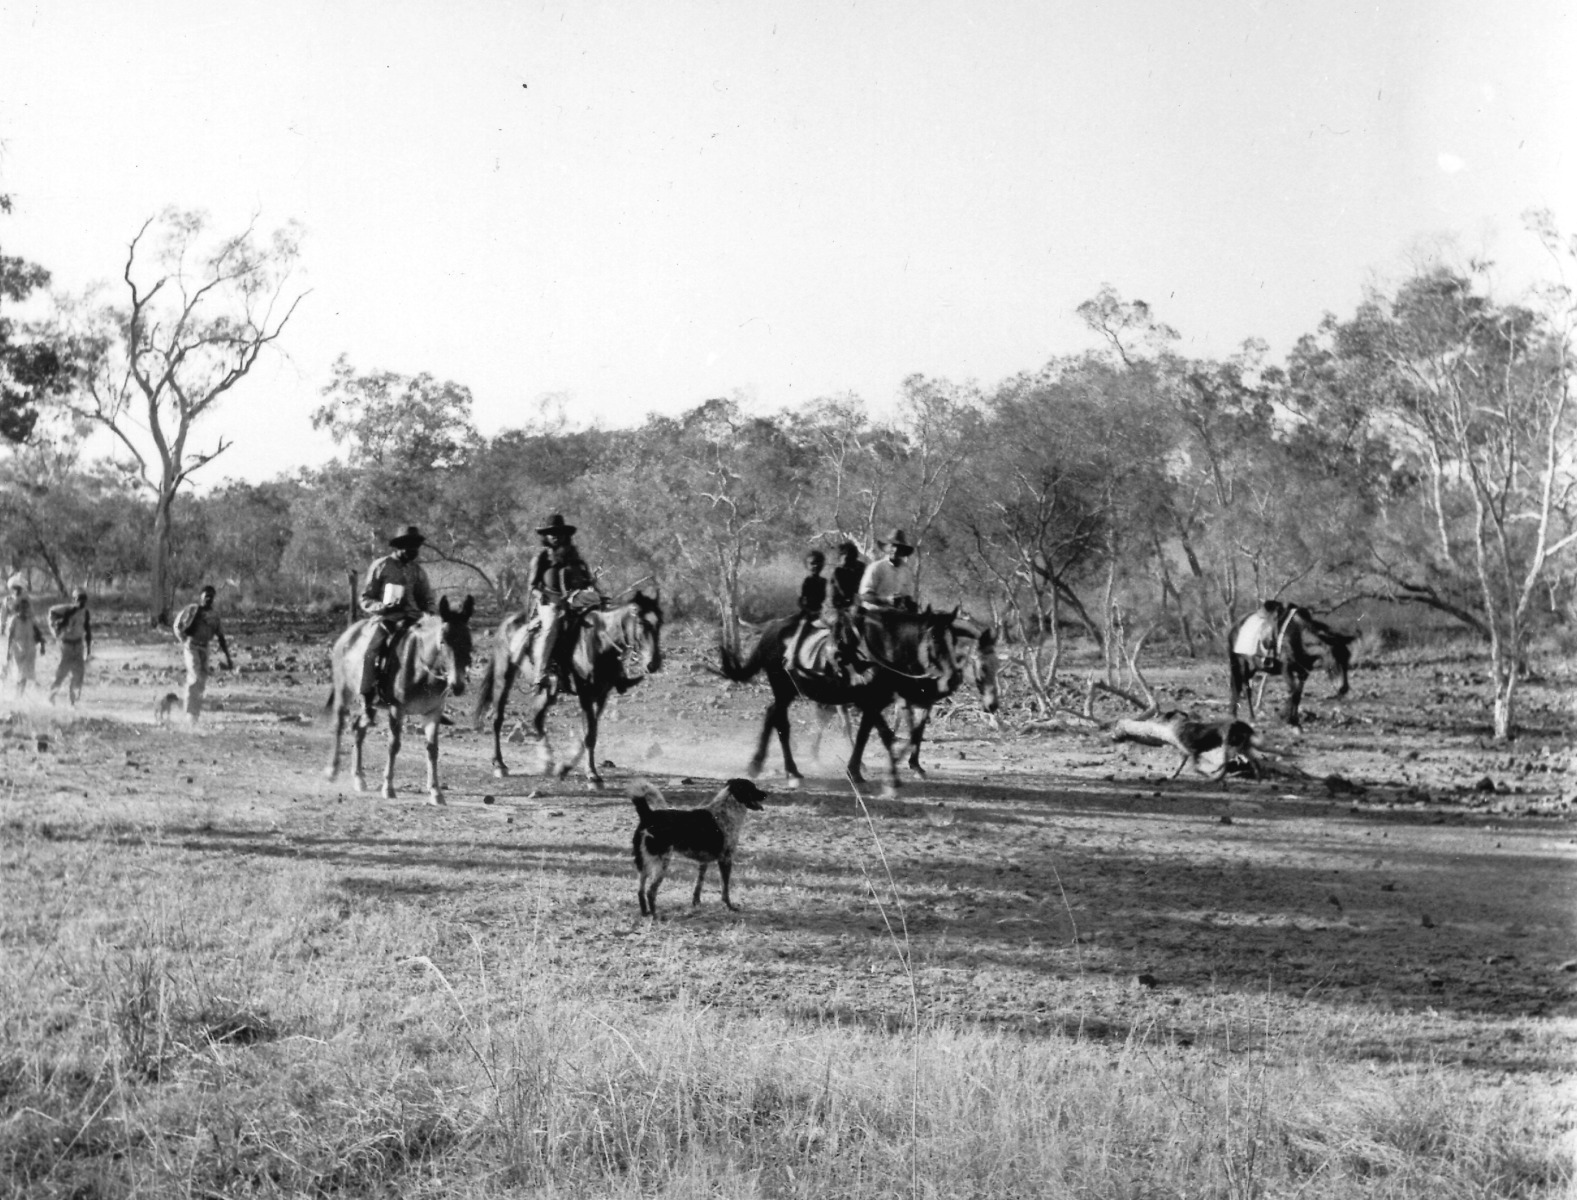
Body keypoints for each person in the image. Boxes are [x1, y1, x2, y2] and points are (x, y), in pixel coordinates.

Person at [358, 525, 437, 727]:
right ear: (400, 547)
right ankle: (367, 703)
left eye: (416, 548)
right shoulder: (382, 566)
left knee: (437, 649)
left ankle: (433, 701)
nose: (415, 552)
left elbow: (427, 598)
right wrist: (382, 607)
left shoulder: (417, 571)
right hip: (387, 619)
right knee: (371, 652)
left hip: (414, 620)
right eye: (411, 548)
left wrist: (429, 611)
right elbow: (365, 597)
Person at [527, 513, 598, 695]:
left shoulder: (574, 557)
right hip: (550, 601)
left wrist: (591, 589)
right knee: (550, 628)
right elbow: (532, 586)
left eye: (558, 532)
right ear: (546, 536)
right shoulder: (541, 558)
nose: (555, 536)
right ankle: (540, 674)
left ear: (566, 535)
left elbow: (586, 579)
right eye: (551, 533)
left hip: (575, 600)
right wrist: (541, 595)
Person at [174, 584, 233, 724]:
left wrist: (228, 657)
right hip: (192, 646)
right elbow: (177, 625)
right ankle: (189, 713)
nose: (208, 599)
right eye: (206, 596)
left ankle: (195, 713)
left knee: (202, 681)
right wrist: (183, 640)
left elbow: (221, 637)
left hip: (205, 648)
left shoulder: (214, 616)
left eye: (211, 596)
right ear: (201, 597)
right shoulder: (192, 610)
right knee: (194, 677)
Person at [3, 575, 48, 697]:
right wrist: (8, 651)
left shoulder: (26, 601)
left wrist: (42, 642)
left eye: (18, 588)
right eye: (14, 588)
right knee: (19, 672)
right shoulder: (10, 602)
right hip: (18, 645)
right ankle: (16, 694)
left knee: (25, 673)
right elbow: (7, 624)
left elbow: (34, 624)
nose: (16, 590)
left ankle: (19, 695)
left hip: (28, 645)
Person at [48, 588, 93, 707]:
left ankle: (72, 701)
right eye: (79, 599)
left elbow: (87, 630)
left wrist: (88, 649)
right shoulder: (67, 610)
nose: (82, 602)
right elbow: (51, 613)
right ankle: (51, 696)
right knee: (62, 672)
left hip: (78, 645)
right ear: (74, 600)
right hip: (66, 645)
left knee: (78, 673)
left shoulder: (85, 612)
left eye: (84, 599)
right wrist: (57, 627)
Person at [858, 529, 919, 613]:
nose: (896, 550)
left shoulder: (906, 572)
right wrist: (886, 600)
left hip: (897, 615)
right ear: (888, 548)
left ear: (903, 551)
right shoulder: (876, 567)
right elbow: (864, 596)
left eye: (899, 547)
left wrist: (908, 603)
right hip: (875, 613)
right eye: (893, 546)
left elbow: (907, 597)